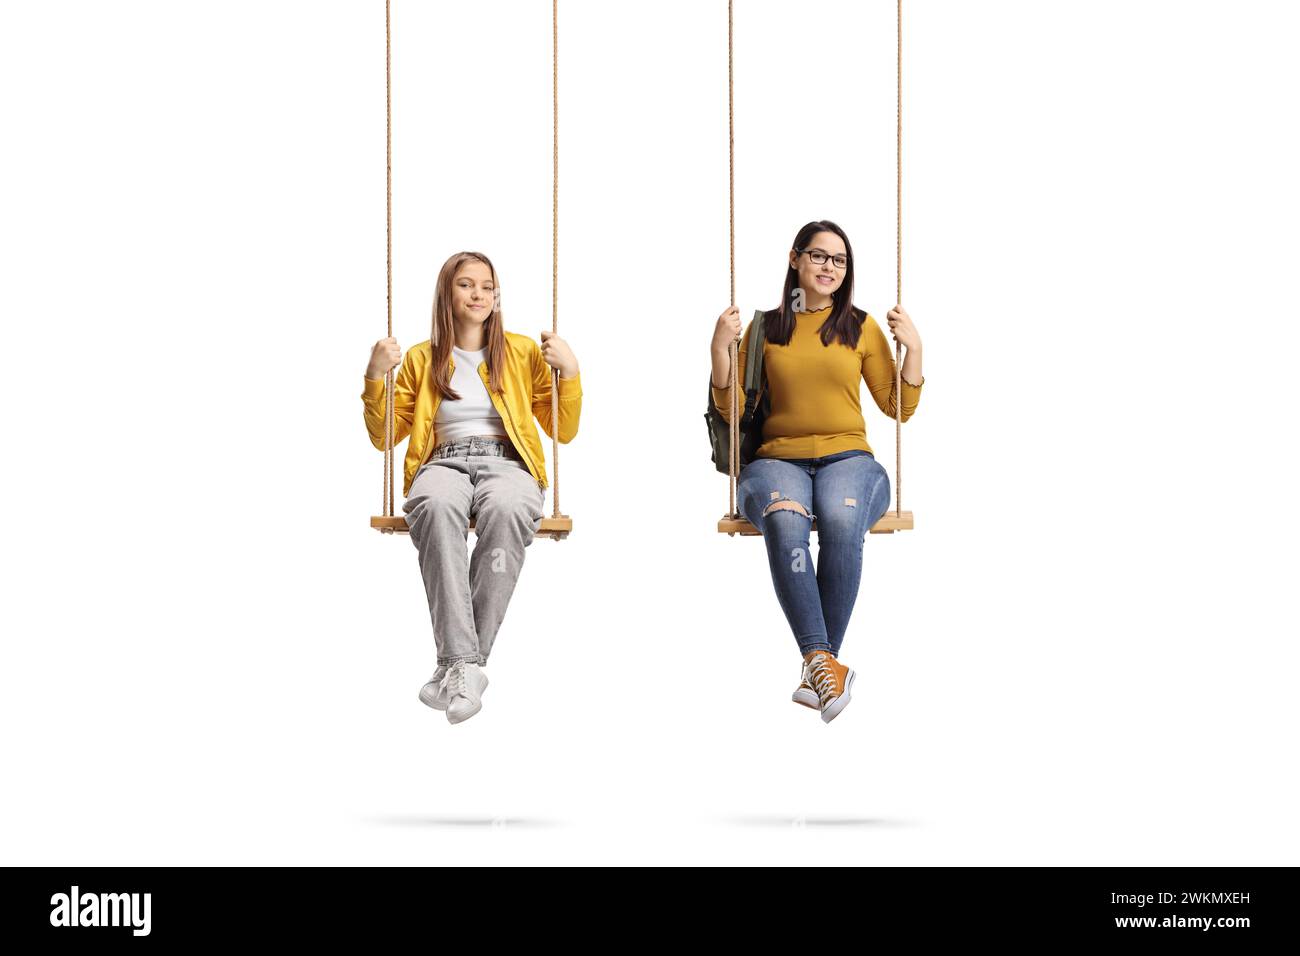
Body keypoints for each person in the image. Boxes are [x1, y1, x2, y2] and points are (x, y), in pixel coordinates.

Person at [710, 220, 924, 723]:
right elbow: (732, 409)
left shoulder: (860, 327)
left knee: (841, 519)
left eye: (840, 260)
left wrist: (914, 349)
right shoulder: (765, 327)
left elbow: (898, 406)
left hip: (849, 460)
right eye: (819, 256)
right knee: (786, 524)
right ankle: (826, 666)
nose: (830, 267)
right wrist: (721, 349)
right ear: (795, 259)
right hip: (774, 461)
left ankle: (817, 663)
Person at [361, 251, 582, 724]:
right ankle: (469, 665)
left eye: (486, 285)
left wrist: (571, 371)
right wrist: (376, 375)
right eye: (465, 285)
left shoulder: (522, 352)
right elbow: (384, 435)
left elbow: (561, 428)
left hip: (509, 461)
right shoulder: (421, 358)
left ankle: (456, 664)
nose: (478, 293)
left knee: (509, 508)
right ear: (447, 293)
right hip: (442, 461)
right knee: (435, 506)